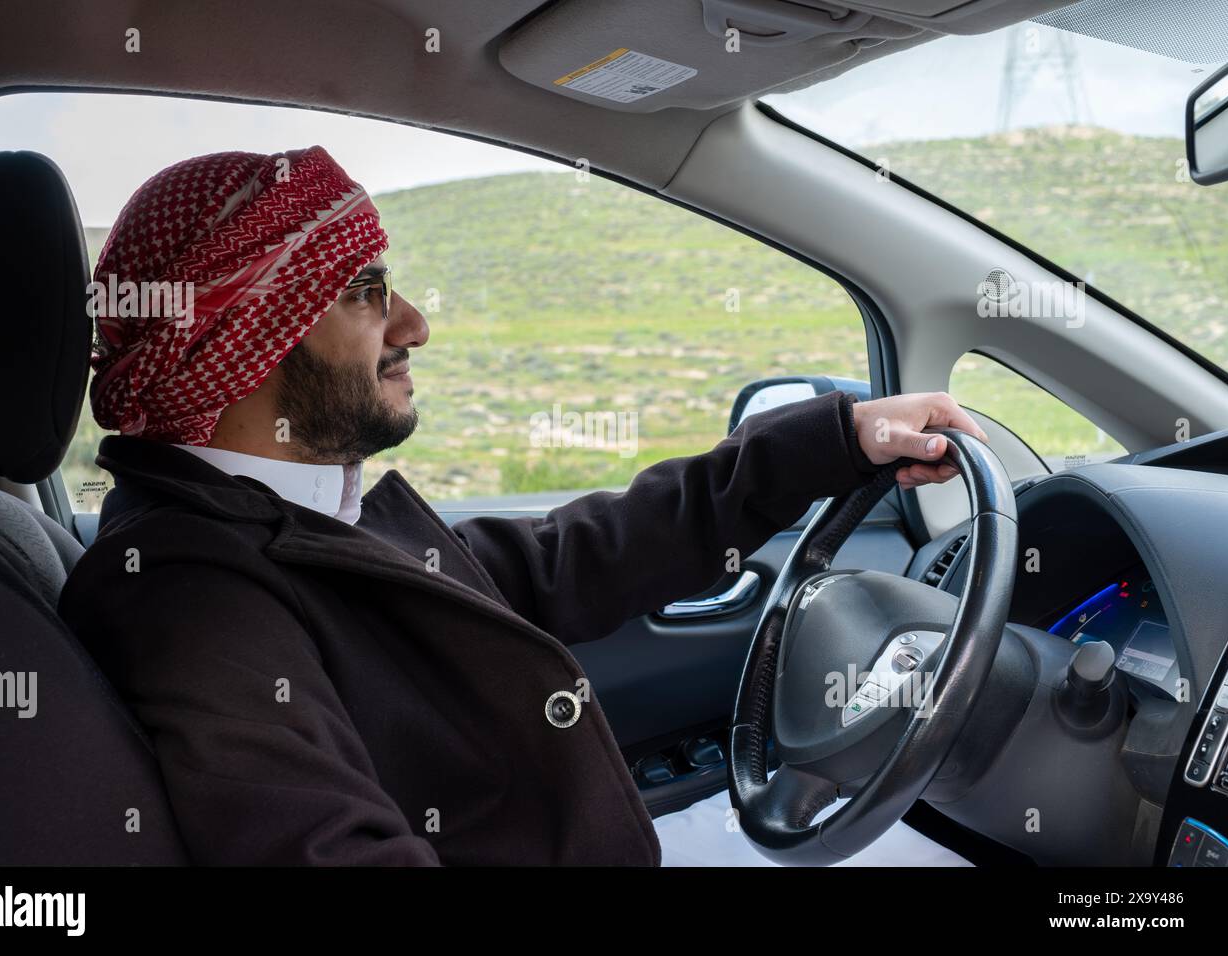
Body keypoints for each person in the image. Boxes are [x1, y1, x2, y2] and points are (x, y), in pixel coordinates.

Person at [58, 145, 987, 865]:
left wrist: (832, 441)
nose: (414, 325)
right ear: (249, 339)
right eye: (366, 294)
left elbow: (565, 560)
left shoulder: (289, 516)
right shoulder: (192, 599)